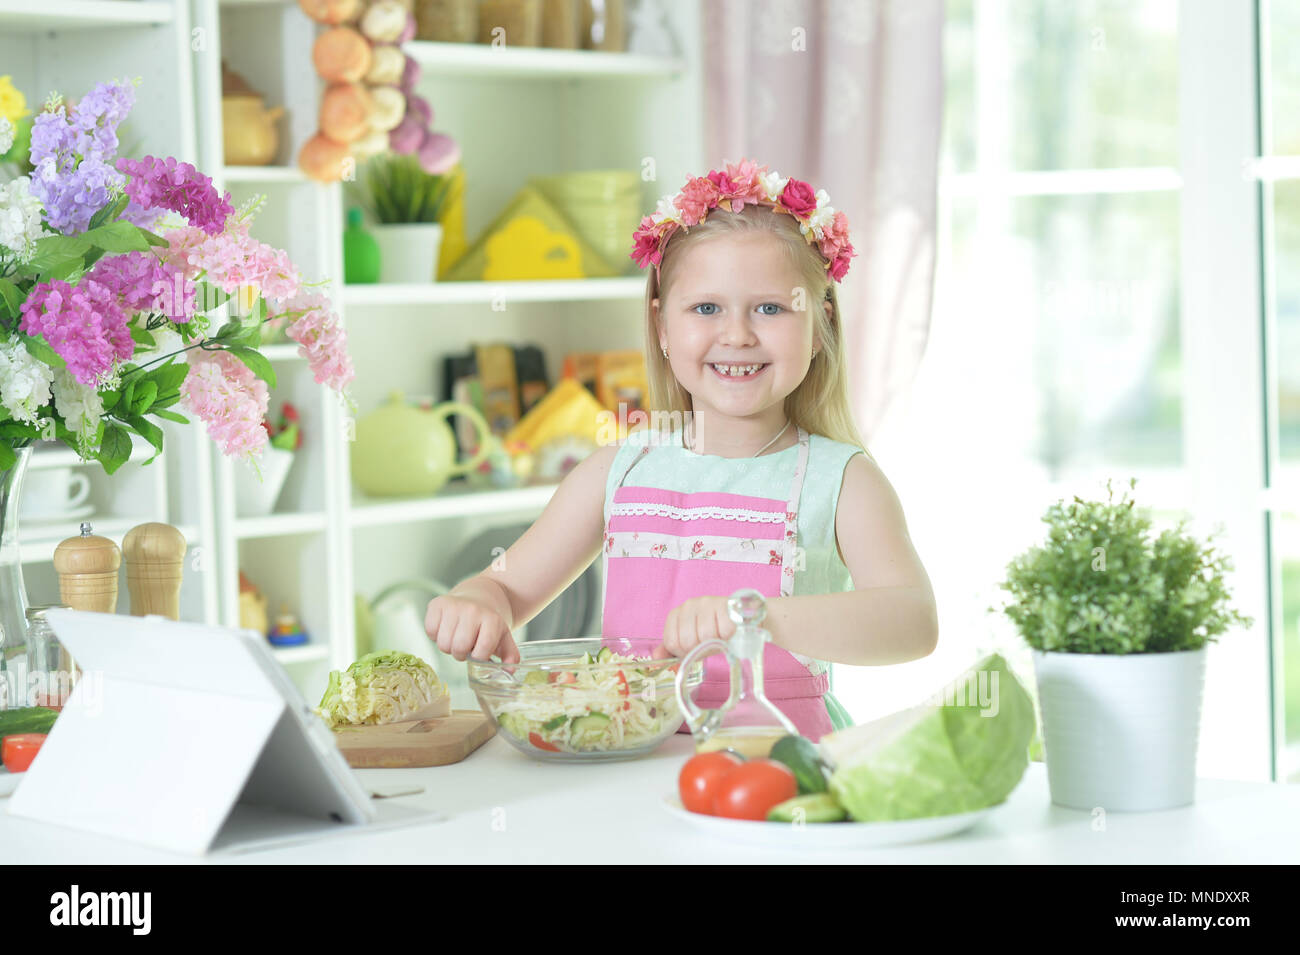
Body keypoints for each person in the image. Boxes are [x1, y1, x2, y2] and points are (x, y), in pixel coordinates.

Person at [425, 158, 938, 741]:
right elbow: (505, 589)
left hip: (779, 772)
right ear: (663, 328)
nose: (738, 334)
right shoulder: (617, 473)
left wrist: (756, 618)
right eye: (706, 308)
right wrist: (475, 602)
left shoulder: (841, 479)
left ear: (819, 326)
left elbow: (913, 621)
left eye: (770, 308)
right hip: (628, 764)